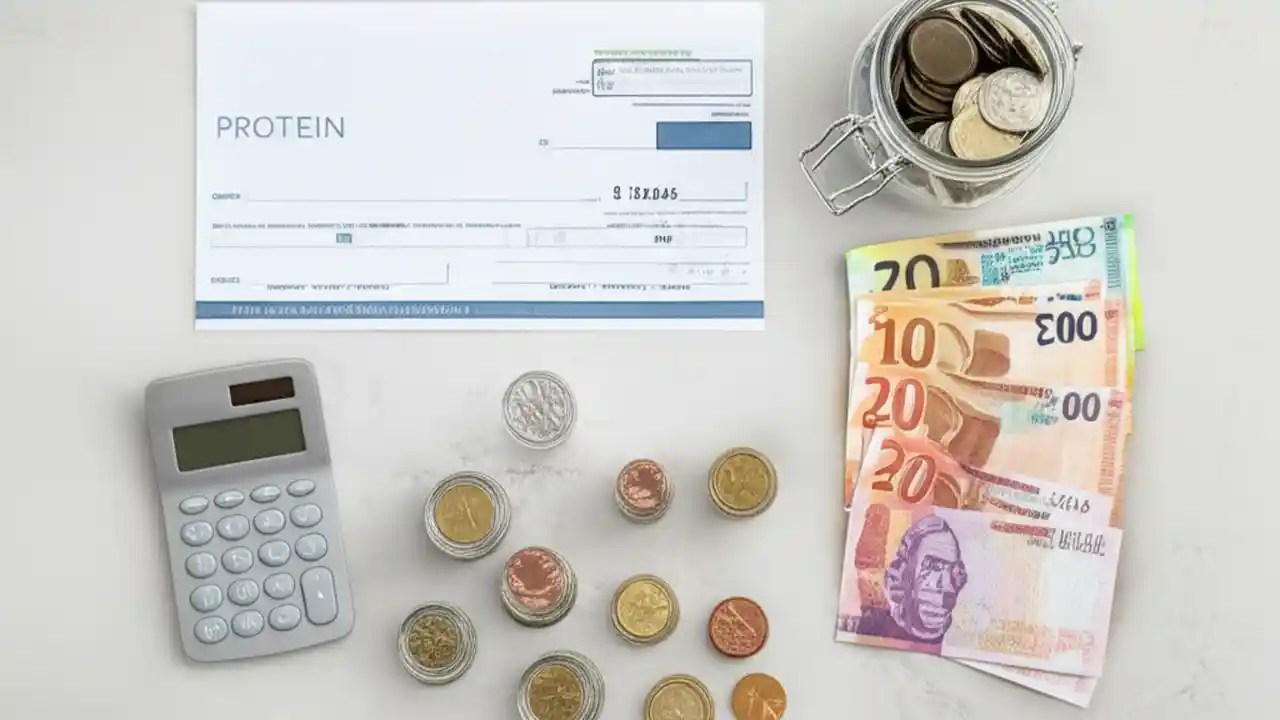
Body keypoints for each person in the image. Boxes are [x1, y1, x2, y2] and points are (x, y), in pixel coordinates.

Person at [856, 514, 968, 645]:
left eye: (952, 571)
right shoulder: (873, 628)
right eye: (932, 566)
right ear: (902, 572)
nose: (946, 586)